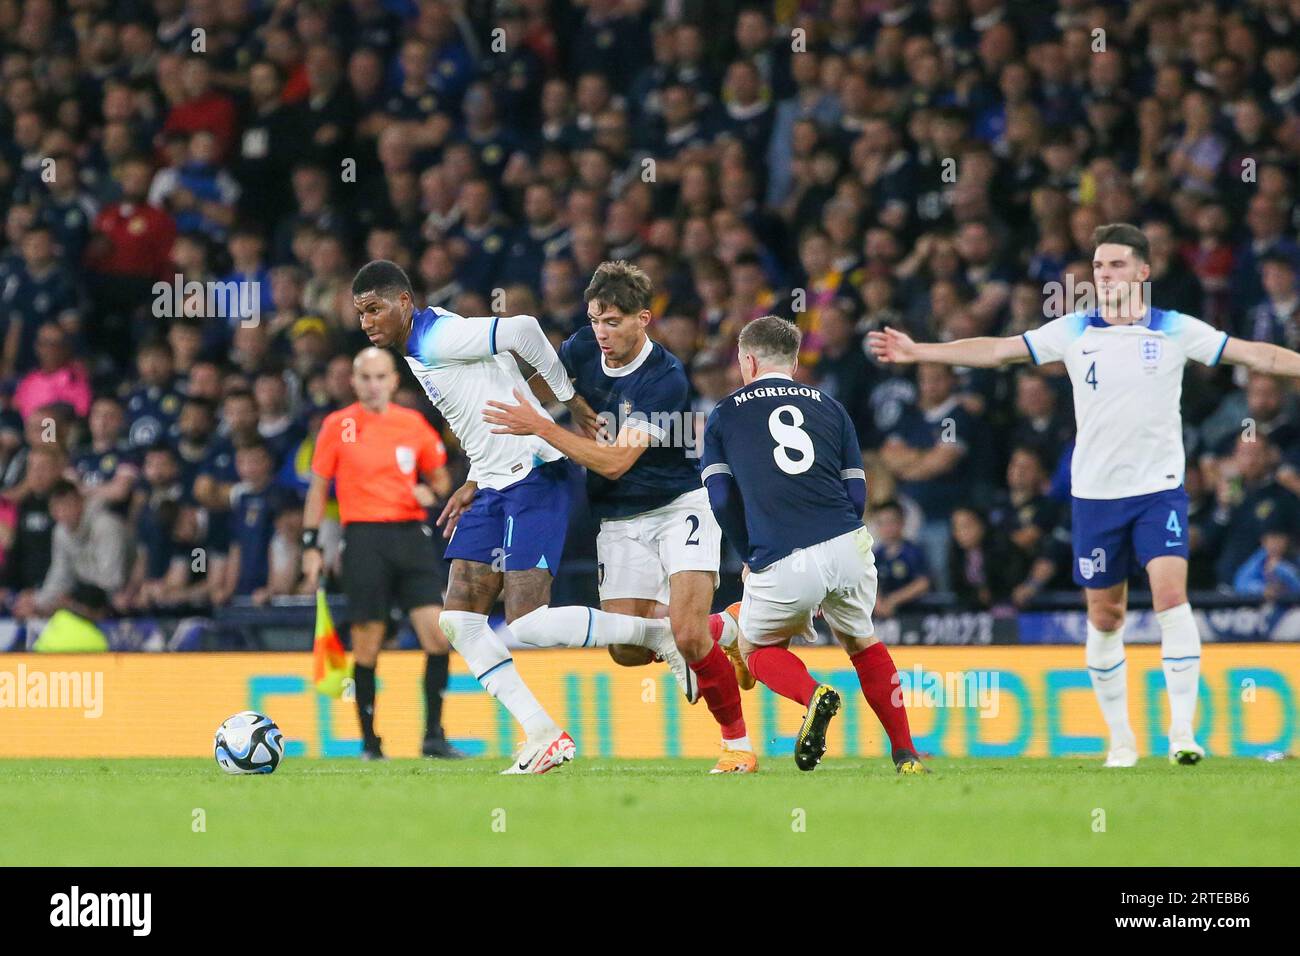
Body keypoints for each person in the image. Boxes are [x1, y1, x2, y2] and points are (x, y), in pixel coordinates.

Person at [869, 221, 1300, 767]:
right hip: (1095, 497)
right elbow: (1000, 351)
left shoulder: (1174, 328)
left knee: (1172, 599)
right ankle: (1121, 741)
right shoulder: (1074, 330)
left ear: (1143, 272)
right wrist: (920, 350)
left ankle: (1184, 733)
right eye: (1098, 266)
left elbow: (1256, 355)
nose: (1105, 274)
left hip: (1159, 491)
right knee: (1105, 617)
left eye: (1116, 264)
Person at [482, 259, 756, 773]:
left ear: (643, 319)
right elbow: (538, 391)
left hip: (679, 508)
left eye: (613, 322)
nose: (601, 333)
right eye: (594, 320)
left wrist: (542, 429)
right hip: (618, 519)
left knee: (686, 634)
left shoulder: (665, 379)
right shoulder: (582, 349)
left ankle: (737, 746)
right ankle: (729, 630)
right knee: (627, 650)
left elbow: (613, 461)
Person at [353, 258, 597, 774]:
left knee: (527, 622)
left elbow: (525, 329)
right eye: (359, 314)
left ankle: (658, 635)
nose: (367, 322)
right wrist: (474, 475)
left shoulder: (438, 337)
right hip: (493, 480)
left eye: (374, 309)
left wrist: (569, 399)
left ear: (402, 302)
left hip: (532, 474)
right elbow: (487, 391)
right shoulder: (418, 346)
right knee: (459, 621)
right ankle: (543, 733)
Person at [701, 315, 926, 774]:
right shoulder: (831, 407)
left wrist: (750, 555)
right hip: (849, 543)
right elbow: (858, 493)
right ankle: (906, 755)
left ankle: (813, 695)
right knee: (863, 645)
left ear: (747, 360)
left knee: (756, 651)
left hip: (781, 553)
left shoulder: (725, 413)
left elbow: (721, 497)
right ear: (795, 360)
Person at [303, 347, 459, 760]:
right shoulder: (337, 426)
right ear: (353, 382)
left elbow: (442, 478)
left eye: (380, 377)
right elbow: (318, 489)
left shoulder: (413, 425)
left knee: (438, 636)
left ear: (394, 381)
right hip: (364, 539)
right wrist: (311, 544)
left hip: (410, 536)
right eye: (365, 377)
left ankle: (433, 736)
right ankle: (371, 743)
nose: (373, 385)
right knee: (367, 642)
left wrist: (433, 490)